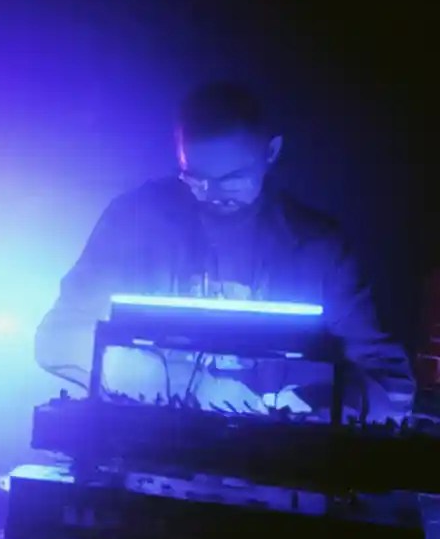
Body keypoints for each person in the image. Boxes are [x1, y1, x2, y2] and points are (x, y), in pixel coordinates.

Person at [34, 82, 415, 421]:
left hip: (279, 469)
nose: (213, 194)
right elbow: (58, 336)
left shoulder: (319, 248)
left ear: (271, 152)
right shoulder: (133, 223)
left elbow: (390, 379)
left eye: (233, 179)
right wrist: (187, 386)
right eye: (195, 178)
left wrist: (315, 406)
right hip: (150, 453)